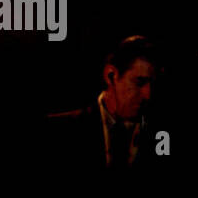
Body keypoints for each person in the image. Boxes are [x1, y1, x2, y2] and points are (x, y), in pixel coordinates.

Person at [47, 35, 161, 179]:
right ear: (111, 75)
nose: (148, 95)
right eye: (139, 82)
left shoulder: (159, 134)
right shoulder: (57, 131)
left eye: (152, 84)